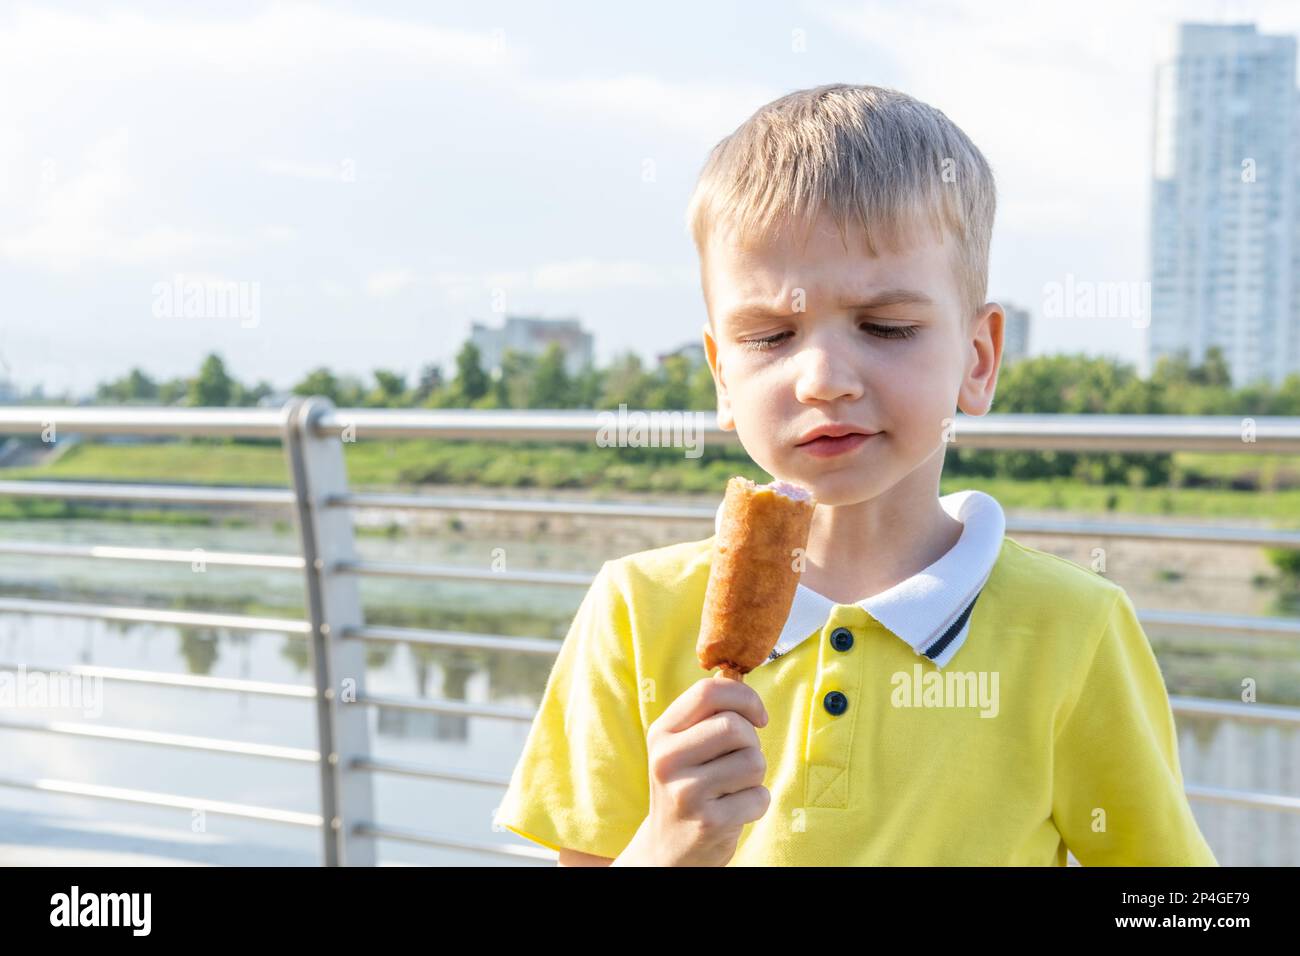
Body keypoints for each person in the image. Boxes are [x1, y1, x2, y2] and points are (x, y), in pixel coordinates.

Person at [492, 83, 1217, 867]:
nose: (825, 379)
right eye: (771, 336)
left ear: (978, 361)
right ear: (721, 377)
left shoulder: (1074, 629)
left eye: (886, 327)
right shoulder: (636, 613)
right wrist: (669, 845)